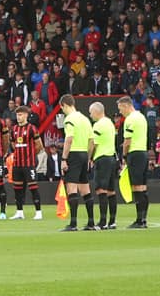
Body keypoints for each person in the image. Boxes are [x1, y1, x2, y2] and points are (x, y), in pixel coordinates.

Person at [58, 94, 91, 233]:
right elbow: (91, 140)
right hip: (84, 153)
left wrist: (64, 159)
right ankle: (91, 222)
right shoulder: (84, 118)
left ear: (64, 105)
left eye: (62, 108)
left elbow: (69, 139)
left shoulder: (69, 119)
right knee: (85, 189)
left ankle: (73, 223)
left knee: (71, 187)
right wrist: (88, 158)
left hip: (74, 154)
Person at [117, 96, 151, 230]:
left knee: (136, 187)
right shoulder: (141, 117)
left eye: (120, 109)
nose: (120, 112)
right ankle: (143, 219)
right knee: (142, 187)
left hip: (135, 154)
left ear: (126, 106)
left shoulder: (130, 119)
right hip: (143, 152)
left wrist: (124, 156)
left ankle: (139, 220)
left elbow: (127, 141)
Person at [87, 101, 119, 232]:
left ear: (96, 111)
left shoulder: (98, 125)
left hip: (102, 158)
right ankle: (112, 221)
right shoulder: (110, 123)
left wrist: (89, 157)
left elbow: (94, 144)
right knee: (111, 190)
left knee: (101, 190)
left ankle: (102, 222)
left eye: (91, 112)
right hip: (112, 158)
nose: (90, 115)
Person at [10, 105, 44, 220]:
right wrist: (18, 151)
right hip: (17, 164)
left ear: (26, 115)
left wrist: (30, 154)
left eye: (20, 115)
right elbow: (13, 143)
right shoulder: (14, 129)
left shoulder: (32, 128)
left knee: (33, 187)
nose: (18, 117)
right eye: (17, 115)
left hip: (28, 163)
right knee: (17, 189)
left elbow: (39, 145)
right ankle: (19, 212)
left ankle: (38, 212)